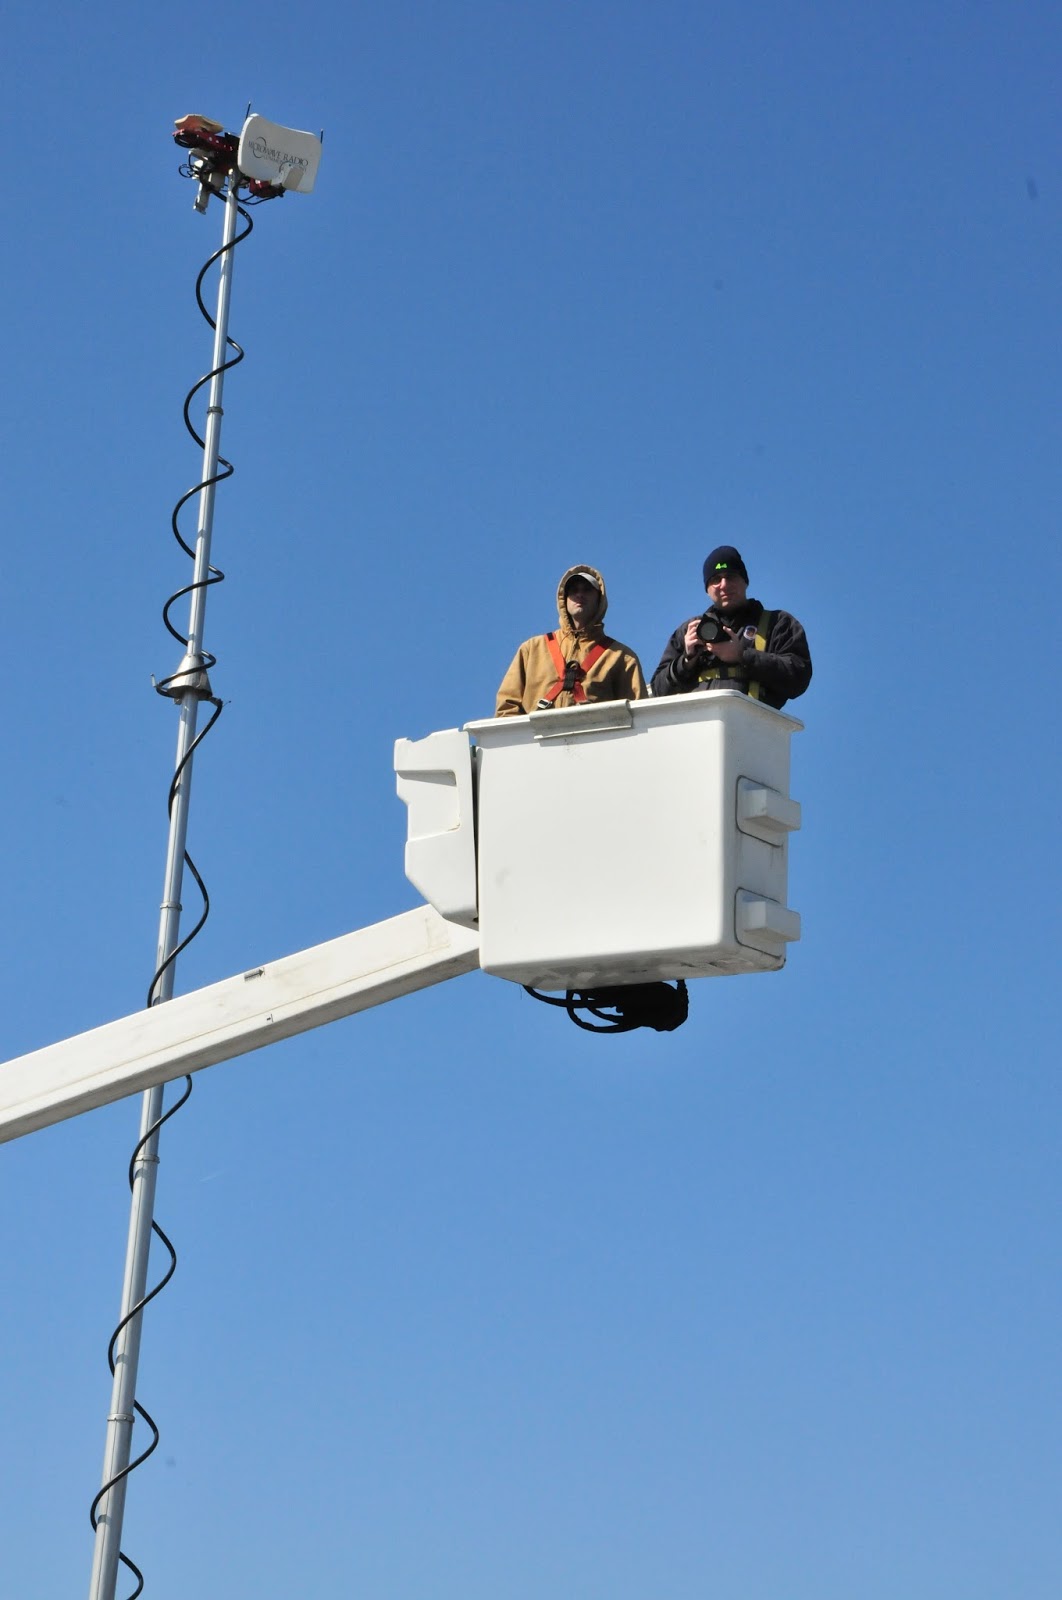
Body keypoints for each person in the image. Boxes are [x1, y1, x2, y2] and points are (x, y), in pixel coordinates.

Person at [651, 545, 811, 709]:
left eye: (731, 576)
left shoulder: (777, 623)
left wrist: (742, 655)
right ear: (707, 589)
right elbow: (657, 690)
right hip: (696, 729)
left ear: (745, 581)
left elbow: (799, 677)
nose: (724, 584)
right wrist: (686, 661)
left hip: (753, 728)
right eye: (716, 579)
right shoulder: (689, 630)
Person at [495, 565, 648, 716]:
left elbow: (638, 716)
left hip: (594, 738)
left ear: (599, 600)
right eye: (573, 591)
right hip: (538, 738)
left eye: (587, 590)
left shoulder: (621, 657)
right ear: (564, 600)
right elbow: (507, 709)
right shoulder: (532, 649)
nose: (579, 595)